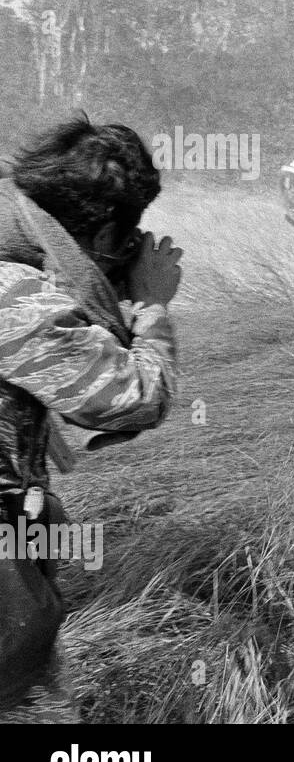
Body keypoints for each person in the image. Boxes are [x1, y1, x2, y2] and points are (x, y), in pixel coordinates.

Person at [0, 115, 181, 718]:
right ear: (103, 232)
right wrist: (151, 304)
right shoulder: (14, 295)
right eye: (123, 243)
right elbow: (137, 394)